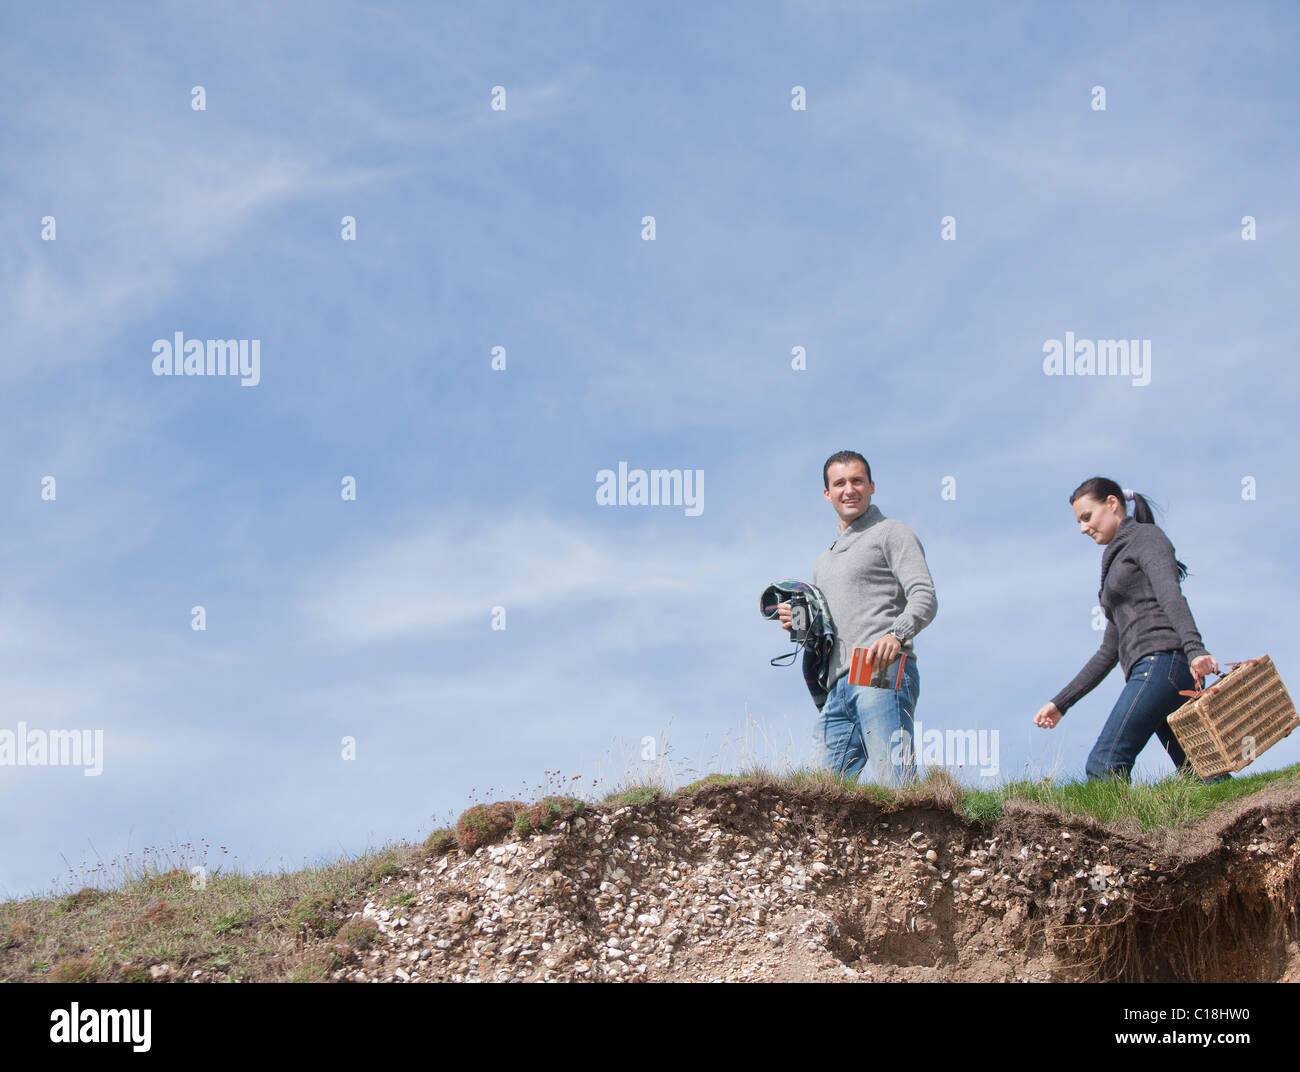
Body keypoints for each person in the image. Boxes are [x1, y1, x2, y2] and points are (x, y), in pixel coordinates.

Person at [1034, 476, 1224, 782]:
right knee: (1203, 772)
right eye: (1079, 522)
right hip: (1157, 670)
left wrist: (1195, 650)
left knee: (1104, 764)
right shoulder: (1116, 560)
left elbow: (1171, 595)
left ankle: (1115, 829)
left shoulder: (1146, 538)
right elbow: (1109, 650)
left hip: (1162, 664)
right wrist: (1061, 702)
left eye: (1087, 517)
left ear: (1112, 503)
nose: (1083, 528)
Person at [774, 451, 937, 786]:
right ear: (827, 493)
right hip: (836, 684)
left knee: (897, 781)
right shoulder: (824, 560)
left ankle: (918, 838)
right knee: (823, 794)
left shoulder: (891, 532)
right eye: (840, 483)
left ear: (871, 486)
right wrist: (800, 622)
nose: (849, 489)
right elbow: (826, 631)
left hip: (874, 665)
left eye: (857, 481)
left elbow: (925, 595)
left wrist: (896, 634)